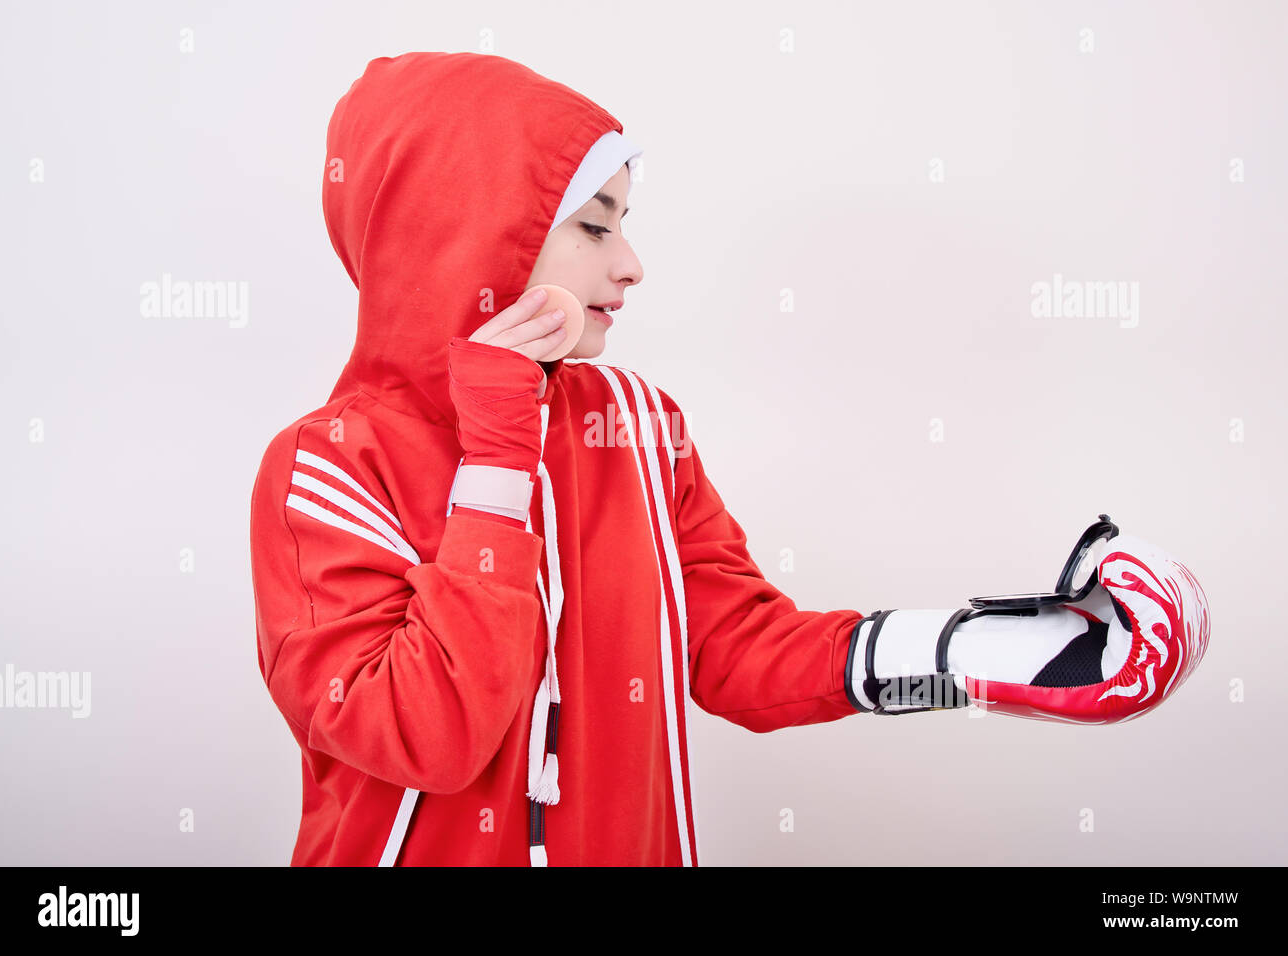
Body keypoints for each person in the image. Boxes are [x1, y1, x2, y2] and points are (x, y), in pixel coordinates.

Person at [248, 51, 1210, 867]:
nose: (631, 265)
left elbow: (740, 653)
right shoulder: (323, 467)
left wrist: (978, 654)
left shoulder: (637, 425)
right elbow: (431, 733)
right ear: (466, 234)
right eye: (595, 225)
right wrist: (497, 449)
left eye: (624, 224)